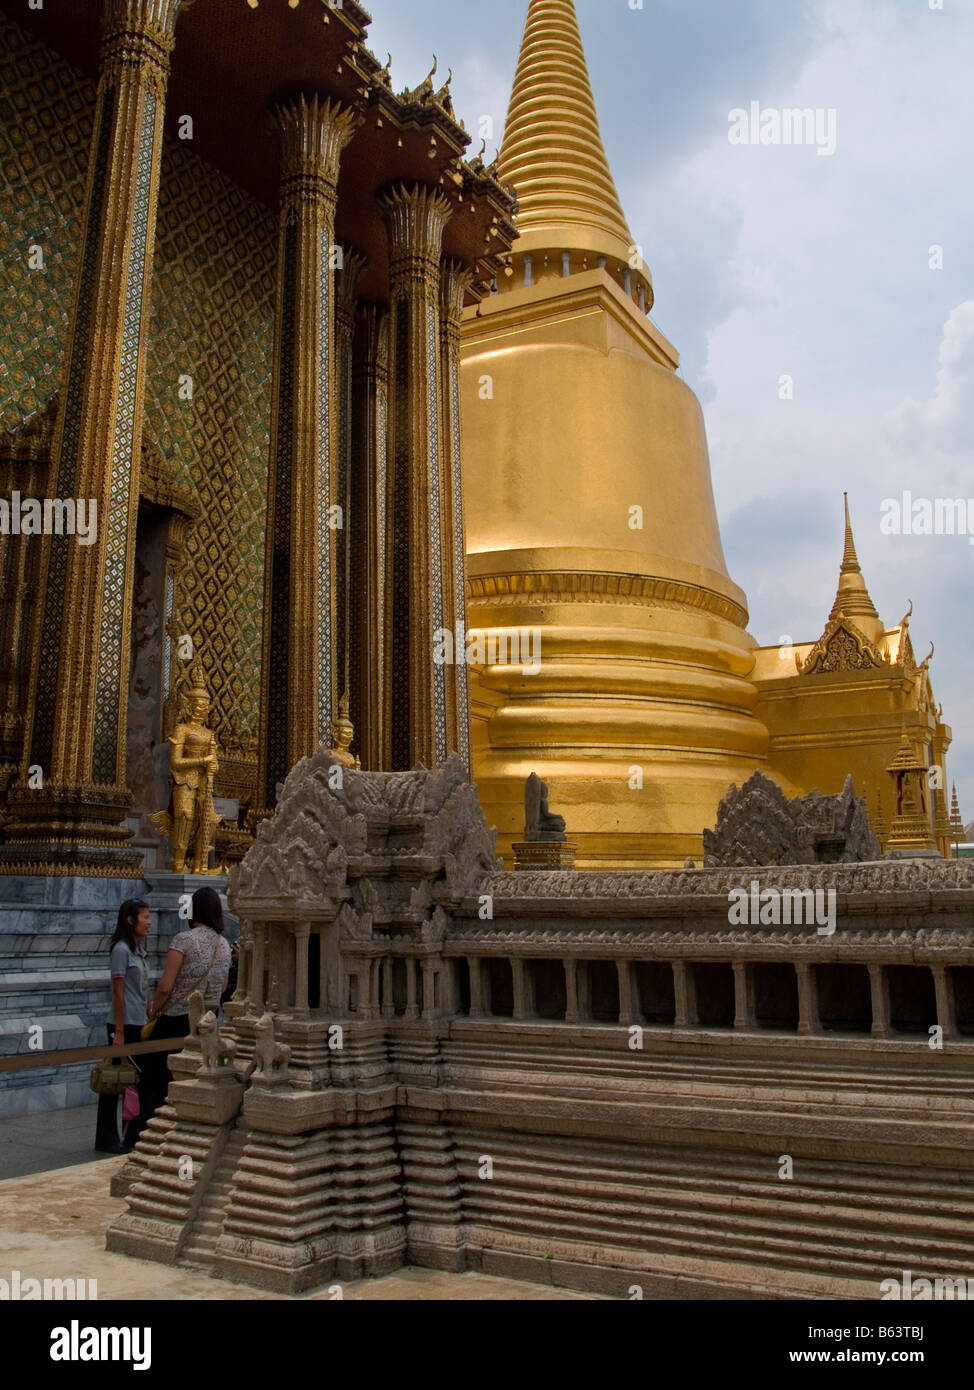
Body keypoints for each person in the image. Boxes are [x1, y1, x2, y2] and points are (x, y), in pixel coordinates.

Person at [140, 886, 232, 1121]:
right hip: (207, 1021)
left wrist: (154, 1010)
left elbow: (165, 986)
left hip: (176, 1019)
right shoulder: (224, 945)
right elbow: (222, 987)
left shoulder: (184, 940)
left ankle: (151, 1126)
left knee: (155, 1077)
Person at [95, 897, 151, 1155]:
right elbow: (118, 993)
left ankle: (131, 1134)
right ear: (131, 920)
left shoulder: (138, 951)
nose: (148, 922)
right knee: (113, 1082)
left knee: (133, 1080)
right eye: (145, 917)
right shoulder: (121, 950)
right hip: (122, 1023)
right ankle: (107, 1137)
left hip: (138, 1021)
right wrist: (118, 1031)